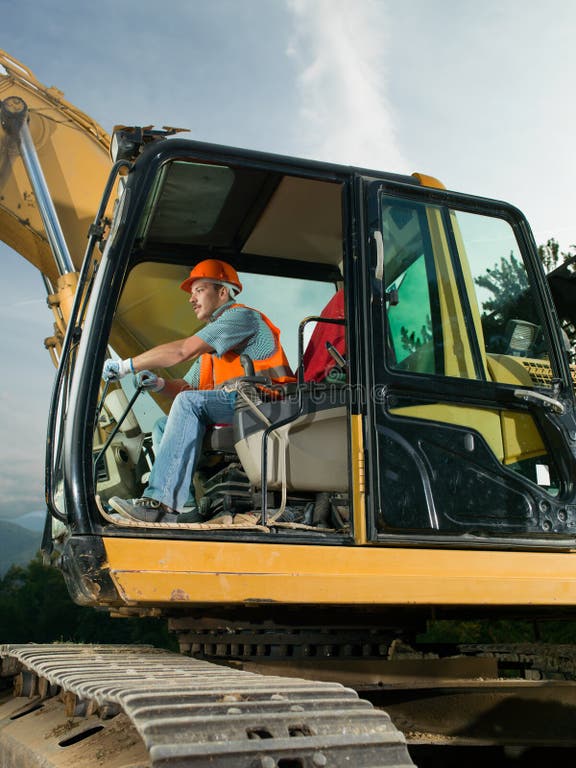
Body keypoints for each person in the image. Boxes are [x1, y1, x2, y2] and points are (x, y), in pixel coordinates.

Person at [103, 259, 295, 523]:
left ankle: (159, 502)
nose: (191, 299)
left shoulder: (241, 317)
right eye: (191, 293)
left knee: (188, 403)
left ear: (223, 292)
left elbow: (182, 351)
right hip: (240, 405)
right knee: (162, 424)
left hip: (266, 404)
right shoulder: (214, 341)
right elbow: (187, 386)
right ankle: (183, 509)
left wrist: (127, 366)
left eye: (199, 290)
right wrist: (159, 384)